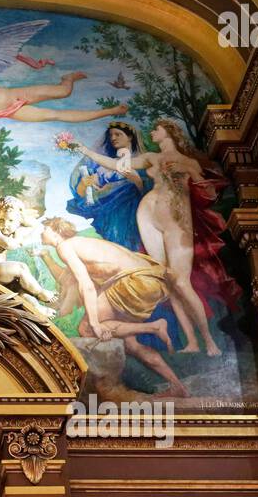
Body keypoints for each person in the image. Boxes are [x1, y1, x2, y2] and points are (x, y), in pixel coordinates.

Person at [69, 119, 232, 357]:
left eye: (158, 129)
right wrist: (84, 150)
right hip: (147, 212)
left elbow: (207, 191)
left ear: (169, 133)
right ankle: (191, 342)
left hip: (175, 216)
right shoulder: (152, 158)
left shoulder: (188, 162)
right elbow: (115, 164)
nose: (153, 132)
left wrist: (190, 173)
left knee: (181, 281)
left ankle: (209, 342)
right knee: (166, 279)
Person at [36, 216, 189, 397]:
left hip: (134, 282)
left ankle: (154, 327)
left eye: (44, 229)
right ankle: (178, 386)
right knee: (131, 344)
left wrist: (96, 324)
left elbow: (86, 285)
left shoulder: (65, 247)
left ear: (55, 231)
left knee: (86, 328)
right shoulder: (80, 244)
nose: (41, 232)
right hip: (149, 280)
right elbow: (67, 279)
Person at [0, 21, 128, 123]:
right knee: (54, 115)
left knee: (64, 92)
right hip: (6, 110)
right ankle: (110, 111)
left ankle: (68, 79)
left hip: (13, 95)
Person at [66, 121, 149, 251]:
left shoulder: (142, 160)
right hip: (110, 214)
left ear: (130, 137)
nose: (113, 138)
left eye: (118, 134)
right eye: (111, 135)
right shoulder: (105, 166)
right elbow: (88, 193)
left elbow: (147, 187)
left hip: (132, 212)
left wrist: (135, 181)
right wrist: (87, 184)